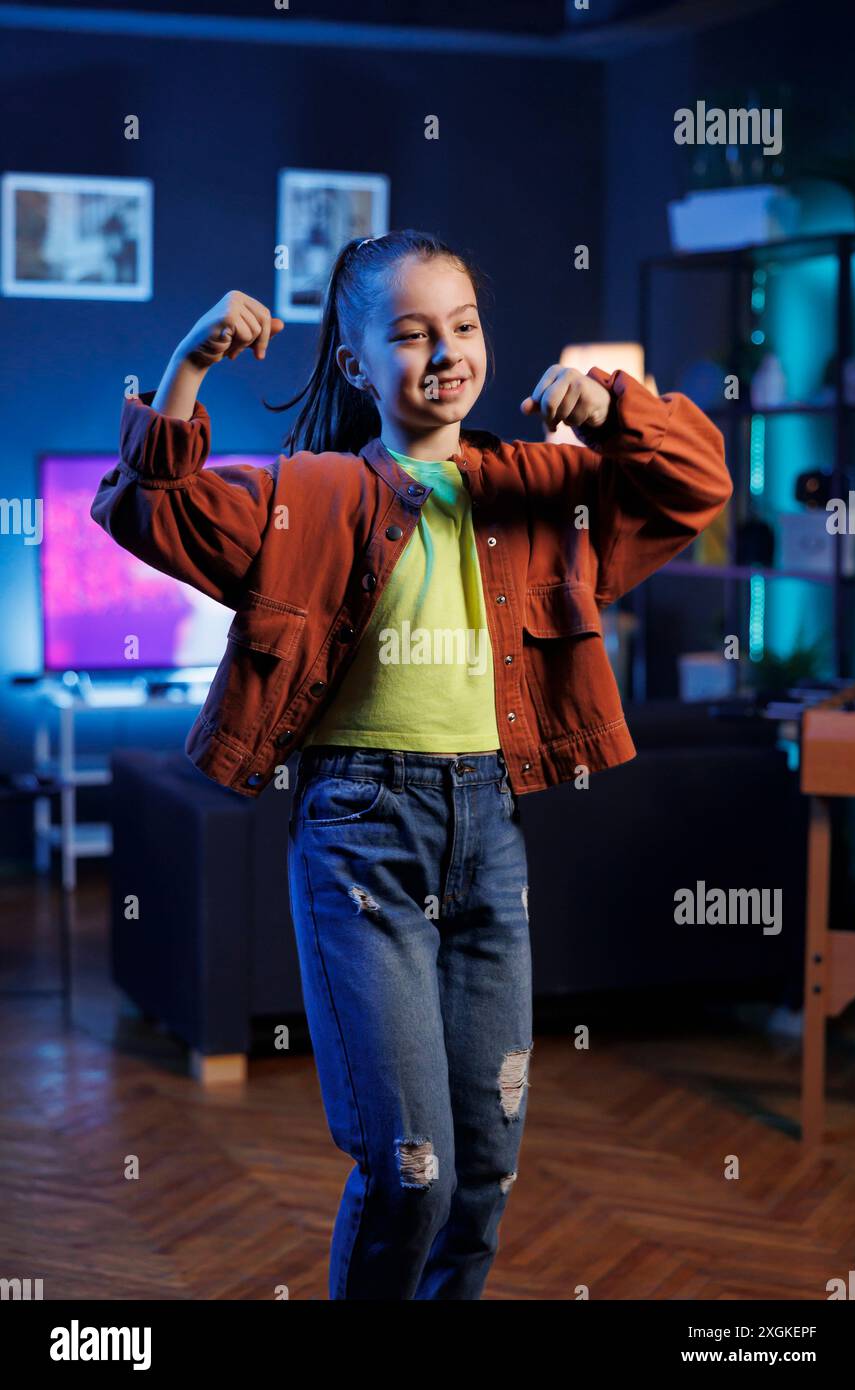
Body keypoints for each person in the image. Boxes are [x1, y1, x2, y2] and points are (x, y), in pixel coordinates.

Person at [92, 228, 731, 1300]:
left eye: (464, 326)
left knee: (484, 1170)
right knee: (409, 1172)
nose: (446, 351)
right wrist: (188, 366)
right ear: (354, 363)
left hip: (490, 837)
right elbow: (146, 507)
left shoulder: (538, 488)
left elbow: (695, 485)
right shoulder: (315, 493)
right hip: (359, 835)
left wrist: (612, 404)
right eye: (410, 333)